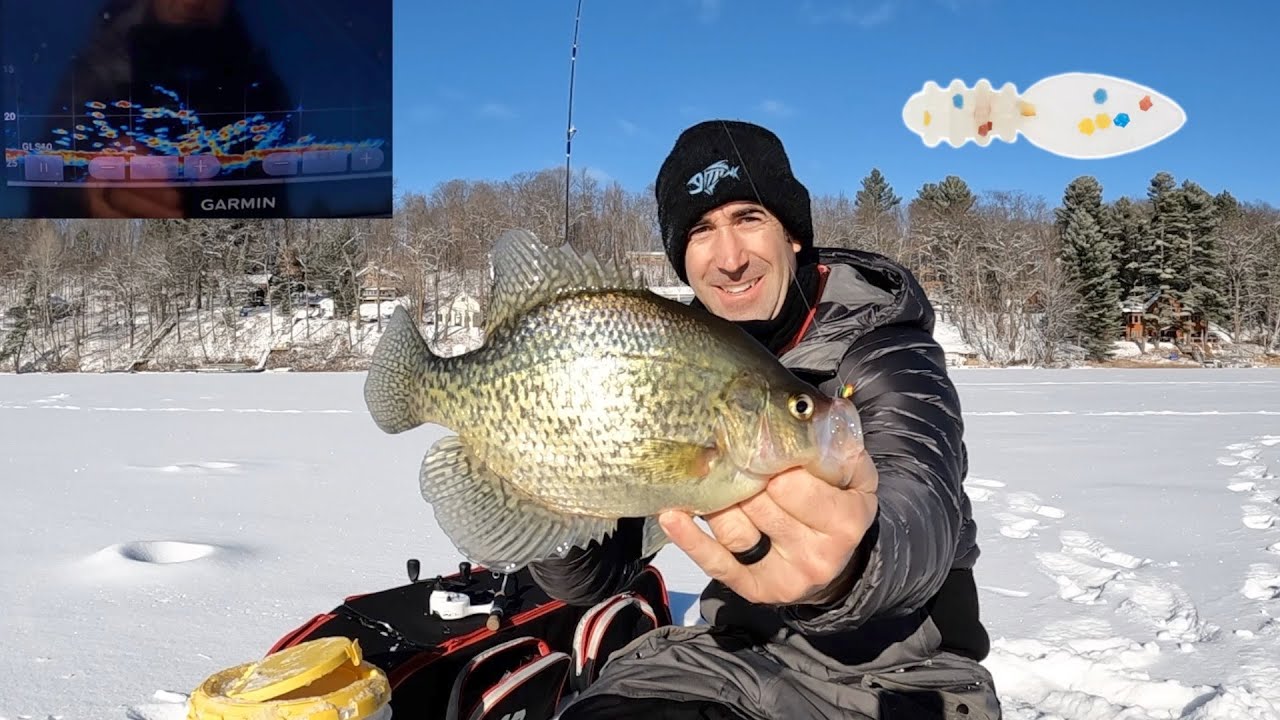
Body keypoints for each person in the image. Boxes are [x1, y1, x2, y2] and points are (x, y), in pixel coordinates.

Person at [528, 119, 1001, 719]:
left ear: (793, 235)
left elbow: (921, 506)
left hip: (897, 673)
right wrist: (542, 494)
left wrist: (845, 569)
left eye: (748, 218)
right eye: (700, 230)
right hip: (727, 655)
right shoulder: (663, 364)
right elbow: (597, 575)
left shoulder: (886, 349)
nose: (728, 259)